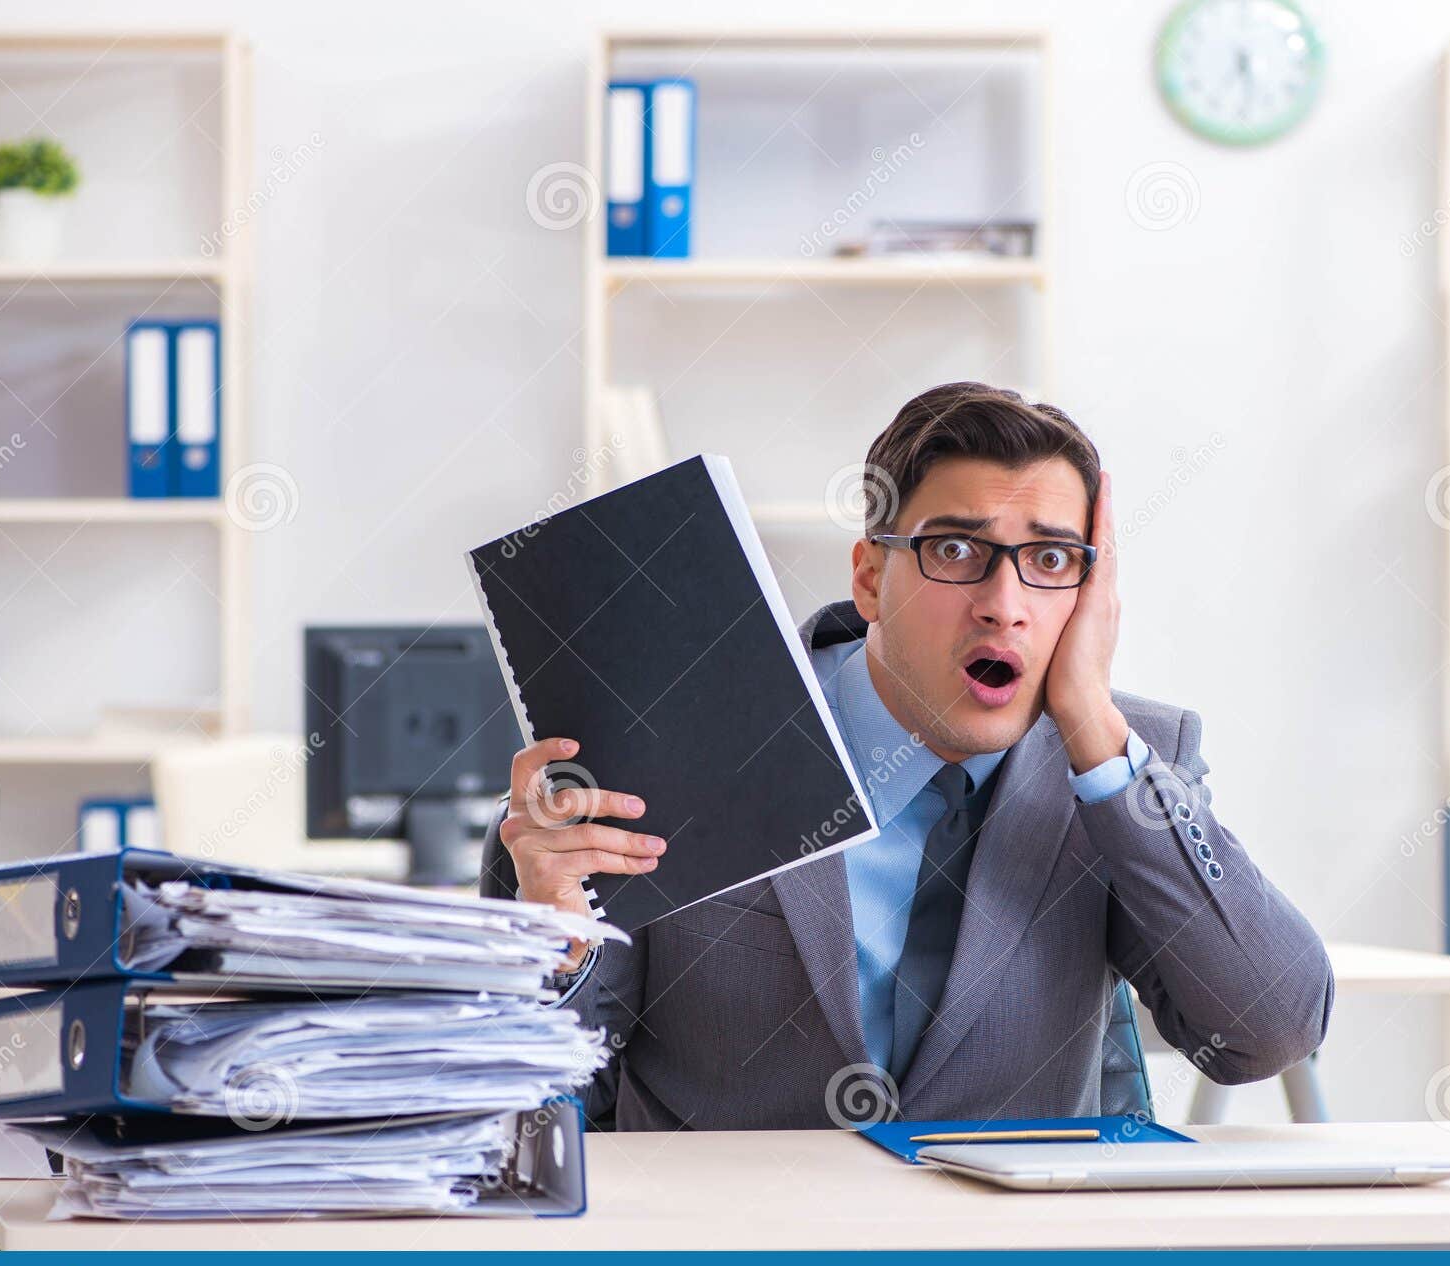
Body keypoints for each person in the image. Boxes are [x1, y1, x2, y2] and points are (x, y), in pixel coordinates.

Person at [488, 382, 1333, 1130]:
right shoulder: (670, 744)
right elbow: (535, 1103)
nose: (1004, 606)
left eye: (1049, 560)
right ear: (868, 579)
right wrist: (553, 937)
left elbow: (1267, 1032)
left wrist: (1093, 733)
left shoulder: (1124, 764)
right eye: (956, 551)